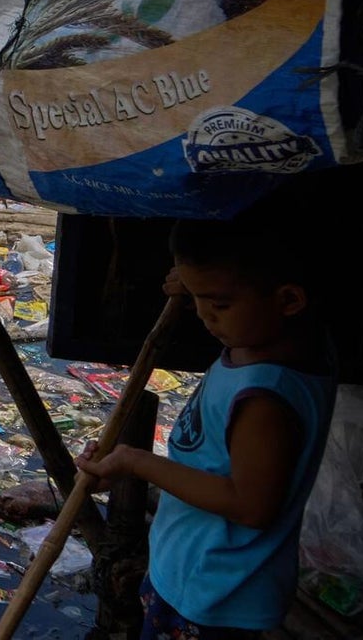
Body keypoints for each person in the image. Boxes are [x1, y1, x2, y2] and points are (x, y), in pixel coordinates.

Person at [76, 210, 336, 638]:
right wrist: (200, 284)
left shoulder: (265, 399)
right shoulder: (280, 340)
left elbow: (252, 506)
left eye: (219, 303)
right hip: (195, 574)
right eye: (196, 297)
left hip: (215, 598)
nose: (202, 315)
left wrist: (135, 462)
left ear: (289, 300)